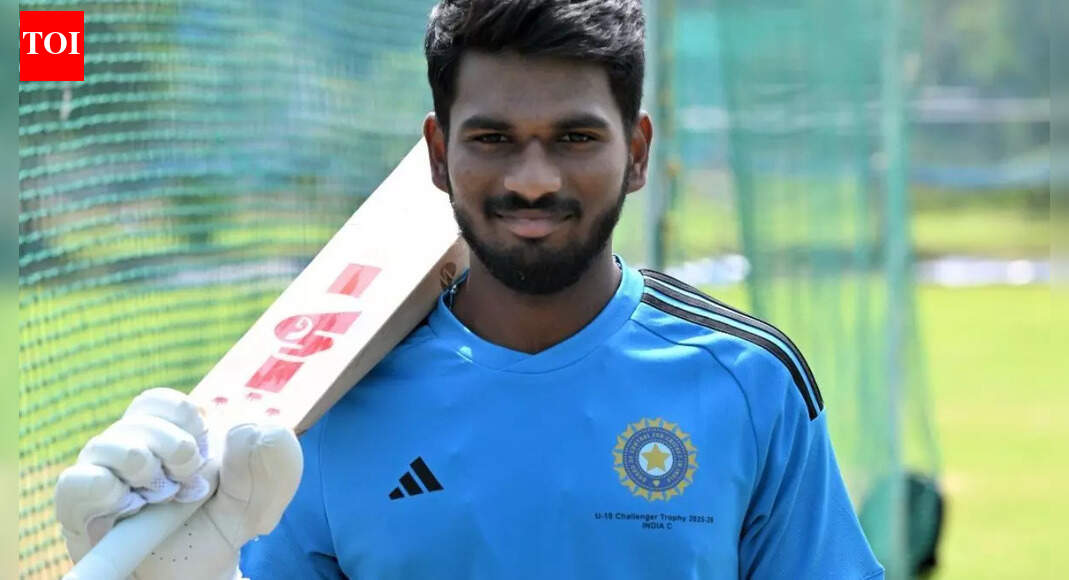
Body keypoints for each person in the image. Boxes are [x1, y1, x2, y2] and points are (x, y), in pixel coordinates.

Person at [54, 1, 885, 578]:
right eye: (492, 138)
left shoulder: (748, 380)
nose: (533, 179)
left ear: (636, 153)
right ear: (438, 153)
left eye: (574, 138)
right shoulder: (326, 402)